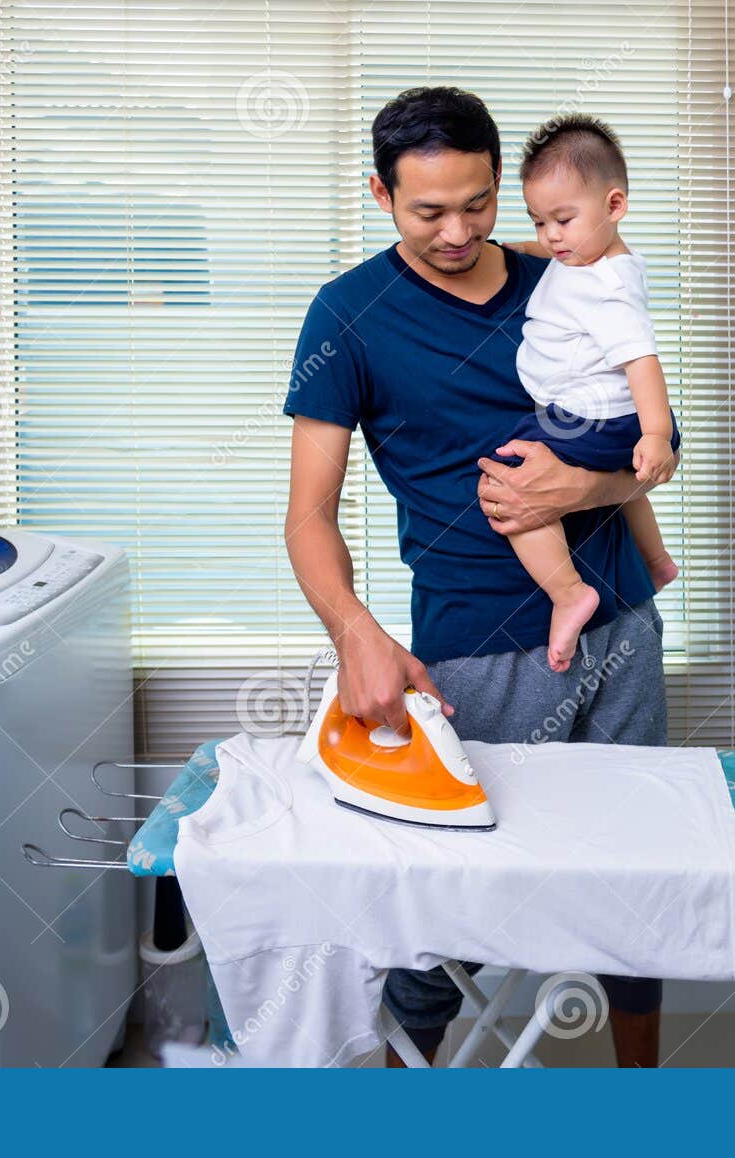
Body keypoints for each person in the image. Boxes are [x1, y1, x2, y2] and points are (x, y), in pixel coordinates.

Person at [281, 86, 675, 1067]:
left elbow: (655, 442)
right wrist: (355, 632)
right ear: (380, 194)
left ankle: (645, 1098)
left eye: (477, 203)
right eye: (428, 212)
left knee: (635, 881)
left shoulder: (567, 268)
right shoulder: (348, 317)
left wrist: (575, 486)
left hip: (619, 624)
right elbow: (307, 516)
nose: (457, 231)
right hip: (474, 652)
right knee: (440, 906)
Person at [498, 113, 681, 672]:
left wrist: (655, 433)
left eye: (563, 220)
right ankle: (655, 561)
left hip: (588, 417)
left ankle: (568, 593)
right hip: (613, 418)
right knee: (630, 488)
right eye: (540, 221)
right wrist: (527, 247)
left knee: (508, 486)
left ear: (615, 206)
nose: (552, 237)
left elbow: (641, 359)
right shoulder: (592, 254)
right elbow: (558, 247)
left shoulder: (608, 289)